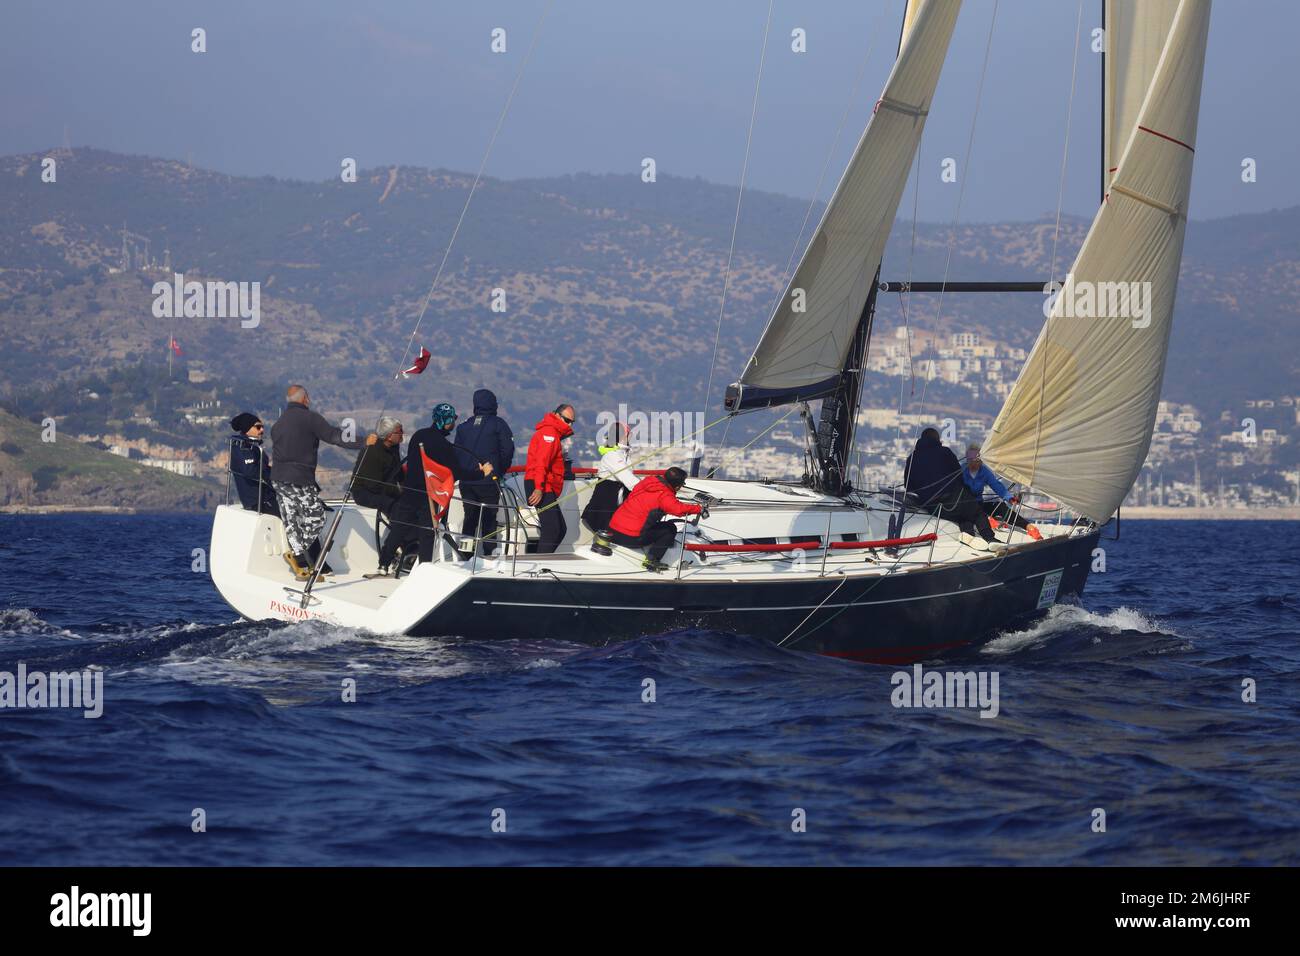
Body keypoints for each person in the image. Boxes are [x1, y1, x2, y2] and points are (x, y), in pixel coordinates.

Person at [269, 384, 376, 580]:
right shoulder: (310, 418)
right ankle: (299, 553)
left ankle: (300, 561)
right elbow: (335, 436)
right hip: (299, 478)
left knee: (291, 520)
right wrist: (363, 442)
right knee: (317, 518)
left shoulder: (278, 423)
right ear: (305, 399)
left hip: (277, 478)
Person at [379, 402, 493, 570]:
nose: (454, 422)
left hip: (409, 492)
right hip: (428, 497)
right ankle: (424, 569)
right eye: (453, 419)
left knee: (399, 529)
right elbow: (455, 472)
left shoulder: (419, 435)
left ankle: (383, 564)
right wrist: (481, 473)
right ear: (446, 421)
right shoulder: (442, 444)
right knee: (427, 534)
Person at [903, 427, 996, 550]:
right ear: (937, 439)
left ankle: (969, 536)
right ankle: (990, 539)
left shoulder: (911, 458)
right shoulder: (945, 452)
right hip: (952, 500)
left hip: (932, 507)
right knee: (977, 512)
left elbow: (908, 486)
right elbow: (958, 475)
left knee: (963, 516)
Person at [454, 389, 515, 556]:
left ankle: (466, 554)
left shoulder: (463, 426)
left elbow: (457, 454)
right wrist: (500, 471)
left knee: (470, 519)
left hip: (466, 482)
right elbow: (507, 450)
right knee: (489, 518)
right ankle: (489, 553)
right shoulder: (498, 424)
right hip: (489, 481)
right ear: (493, 404)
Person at [607, 466, 702, 572]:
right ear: (677, 486)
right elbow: (678, 509)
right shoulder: (665, 495)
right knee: (669, 528)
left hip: (612, 530)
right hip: (630, 538)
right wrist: (699, 509)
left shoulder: (647, 482)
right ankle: (652, 560)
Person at [961, 444, 1041, 540]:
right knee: (974, 515)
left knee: (1001, 507)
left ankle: (1028, 527)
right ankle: (984, 523)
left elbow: (996, 485)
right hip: (965, 505)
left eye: (976, 461)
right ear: (967, 460)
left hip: (979, 504)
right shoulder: (961, 470)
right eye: (970, 460)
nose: (973, 463)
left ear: (981, 460)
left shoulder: (984, 471)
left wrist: (1009, 498)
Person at [524, 404, 575, 554]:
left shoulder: (552, 433)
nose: (569, 424)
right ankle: (539, 565)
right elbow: (541, 462)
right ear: (557, 416)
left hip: (544, 484)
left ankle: (543, 560)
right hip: (540, 484)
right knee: (552, 529)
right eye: (567, 420)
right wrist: (538, 488)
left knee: (560, 529)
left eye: (572, 422)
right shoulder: (550, 434)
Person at [581, 422, 638, 533]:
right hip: (603, 513)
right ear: (624, 436)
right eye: (630, 434)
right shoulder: (612, 456)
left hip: (614, 510)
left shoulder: (623, 455)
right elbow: (629, 480)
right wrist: (650, 488)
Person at [352, 416, 405, 517]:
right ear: (389, 436)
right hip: (365, 492)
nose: (402, 433)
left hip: (385, 487)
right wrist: (397, 490)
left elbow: (398, 472)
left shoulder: (393, 446)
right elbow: (373, 485)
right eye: (400, 431)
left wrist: (406, 487)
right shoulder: (373, 452)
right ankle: (398, 531)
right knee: (394, 505)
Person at [228, 412, 278, 515]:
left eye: (262, 427)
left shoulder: (252, 445)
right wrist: (274, 478)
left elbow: (262, 468)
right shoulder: (243, 447)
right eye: (258, 427)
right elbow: (251, 471)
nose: (262, 430)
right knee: (293, 514)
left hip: (266, 497)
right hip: (258, 501)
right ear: (247, 429)